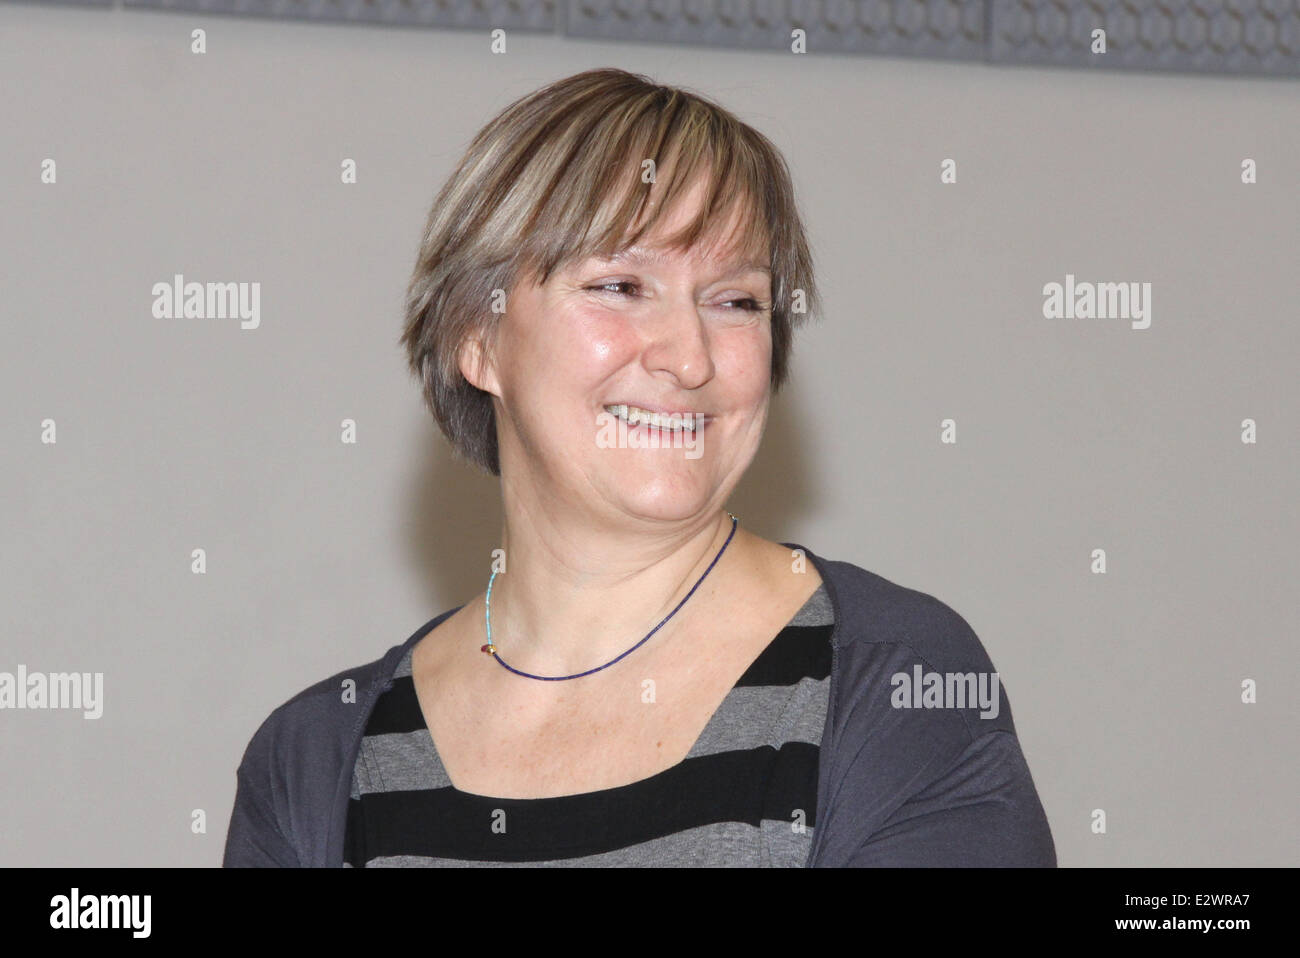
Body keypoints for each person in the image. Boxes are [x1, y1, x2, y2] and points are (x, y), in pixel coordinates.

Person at [222, 67, 1056, 867]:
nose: (690, 357)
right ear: (477, 337)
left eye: (736, 301)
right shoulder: (317, 765)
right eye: (621, 285)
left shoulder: (890, 685)